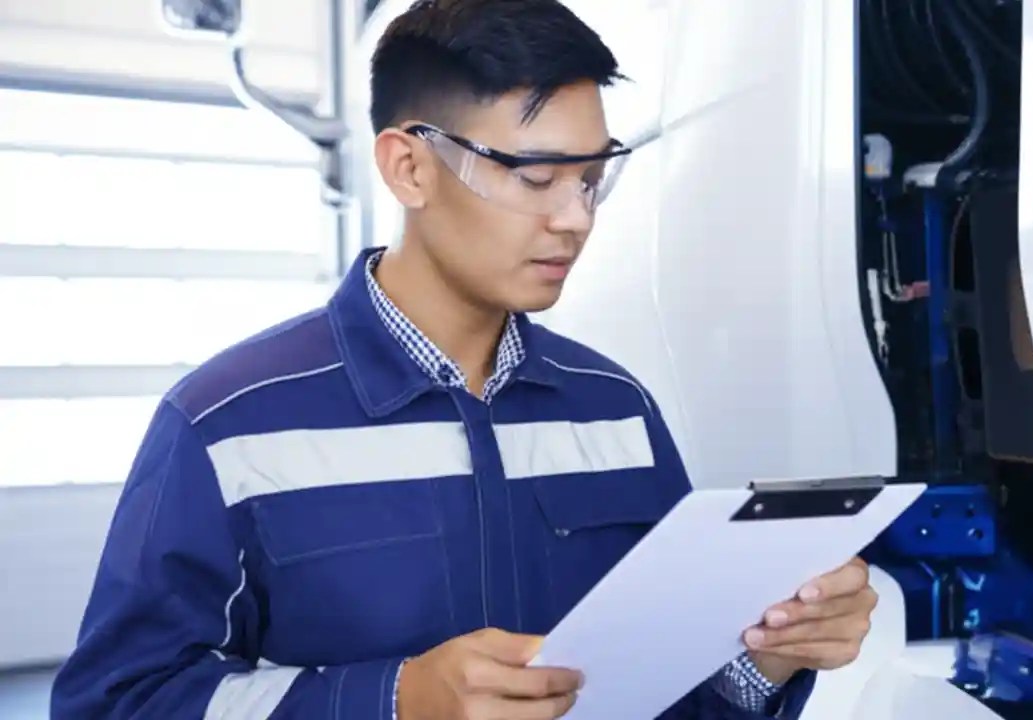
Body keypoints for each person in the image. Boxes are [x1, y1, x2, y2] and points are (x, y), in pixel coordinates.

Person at [50, 1, 880, 718]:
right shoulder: (227, 425)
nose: (576, 220)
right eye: (537, 176)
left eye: (592, 180)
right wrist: (394, 700)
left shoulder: (615, 411)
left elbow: (657, 694)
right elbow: (119, 701)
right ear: (409, 166)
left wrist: (765, 659)